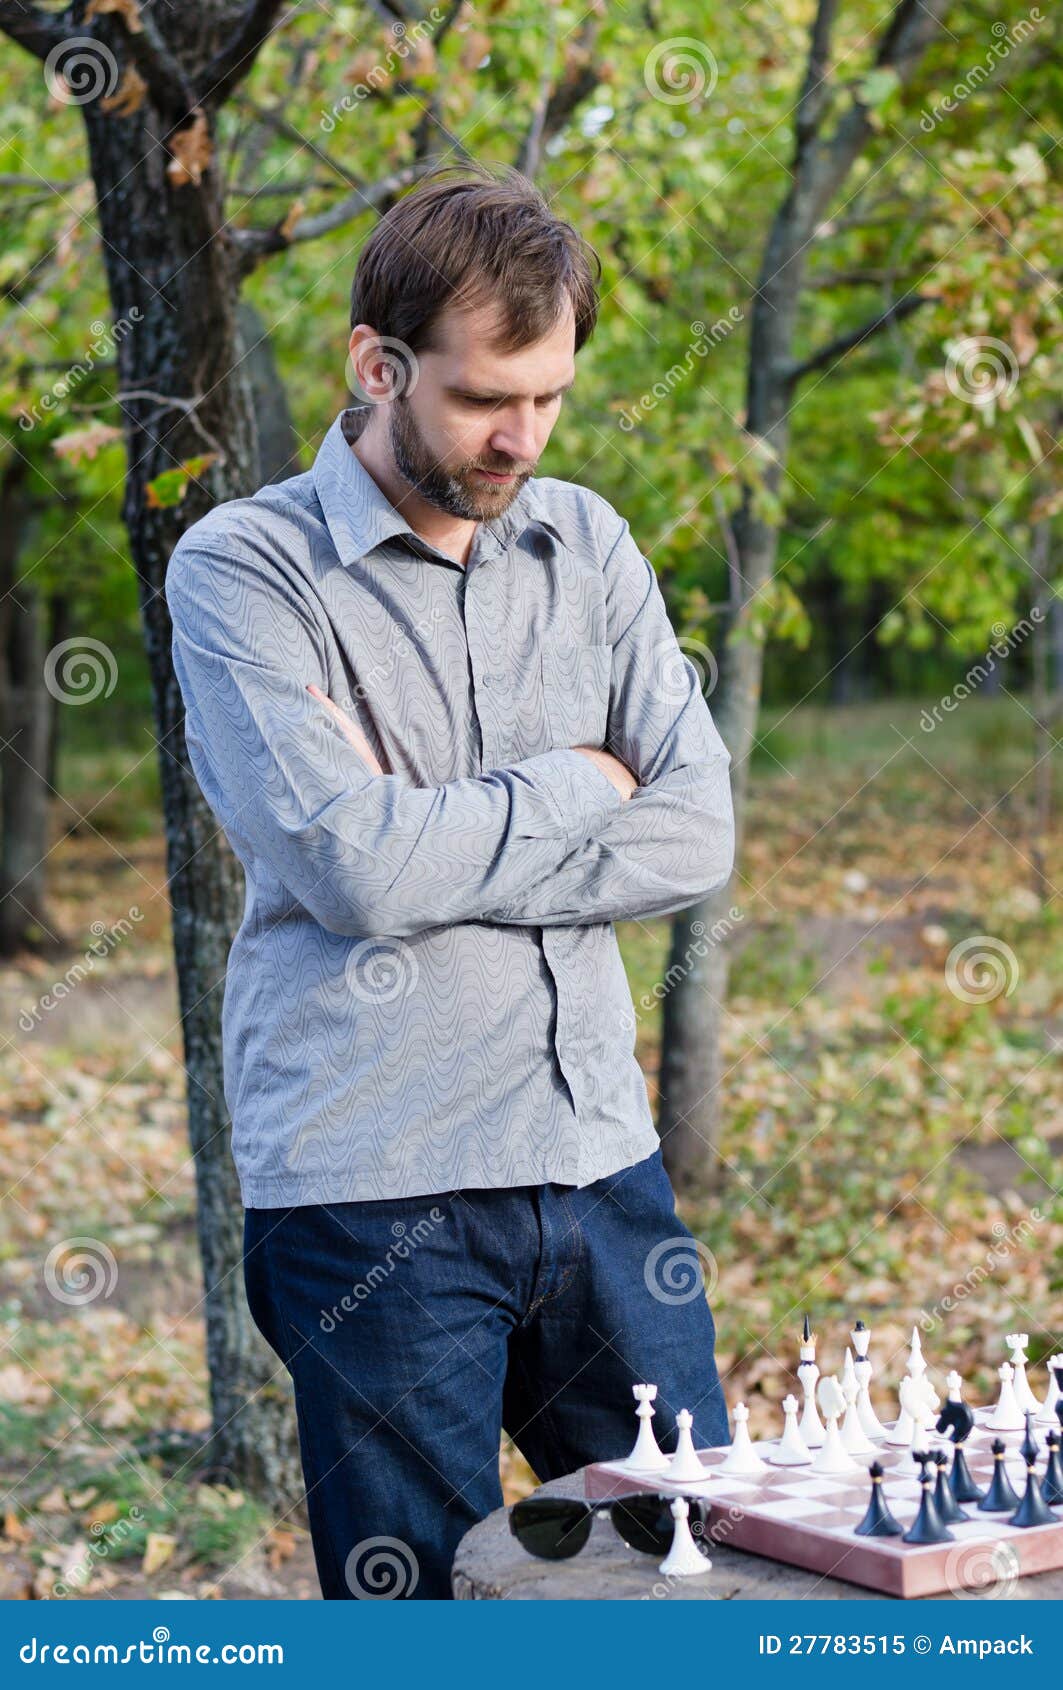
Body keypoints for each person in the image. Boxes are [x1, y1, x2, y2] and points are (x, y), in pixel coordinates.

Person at [166, 162, 735, 1600]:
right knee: (422, 1614)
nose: (520, 438)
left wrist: (441, 832)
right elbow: (351, 866)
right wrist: (576, 785)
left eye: (547, 397)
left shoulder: (587, 542)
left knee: (705, 1571)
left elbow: (694, 833)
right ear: (378, 362)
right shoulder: (245, 572)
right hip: (375, 1191)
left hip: (600, 1161)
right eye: (488, 397)